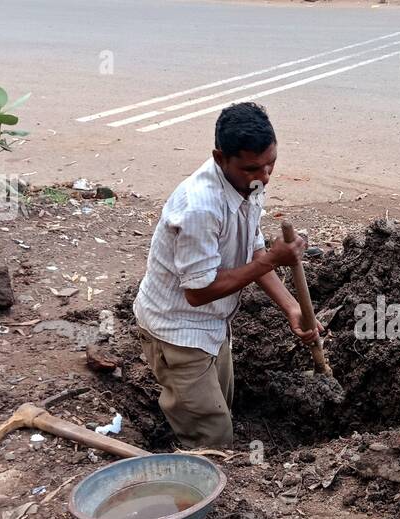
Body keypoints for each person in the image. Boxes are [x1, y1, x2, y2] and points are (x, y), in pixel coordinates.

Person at [133, 102, 319, 448]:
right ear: (220, 158)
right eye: (253, 168)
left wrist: (292, 307)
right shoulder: (200, 207)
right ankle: (196, 483)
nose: (264, 176)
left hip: (212, 326)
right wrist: (271, 262)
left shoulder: (248, 183)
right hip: (178, 332)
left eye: (271, 164)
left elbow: (252, 249)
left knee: (220, 409)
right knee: (211, 440)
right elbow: (198, 292)